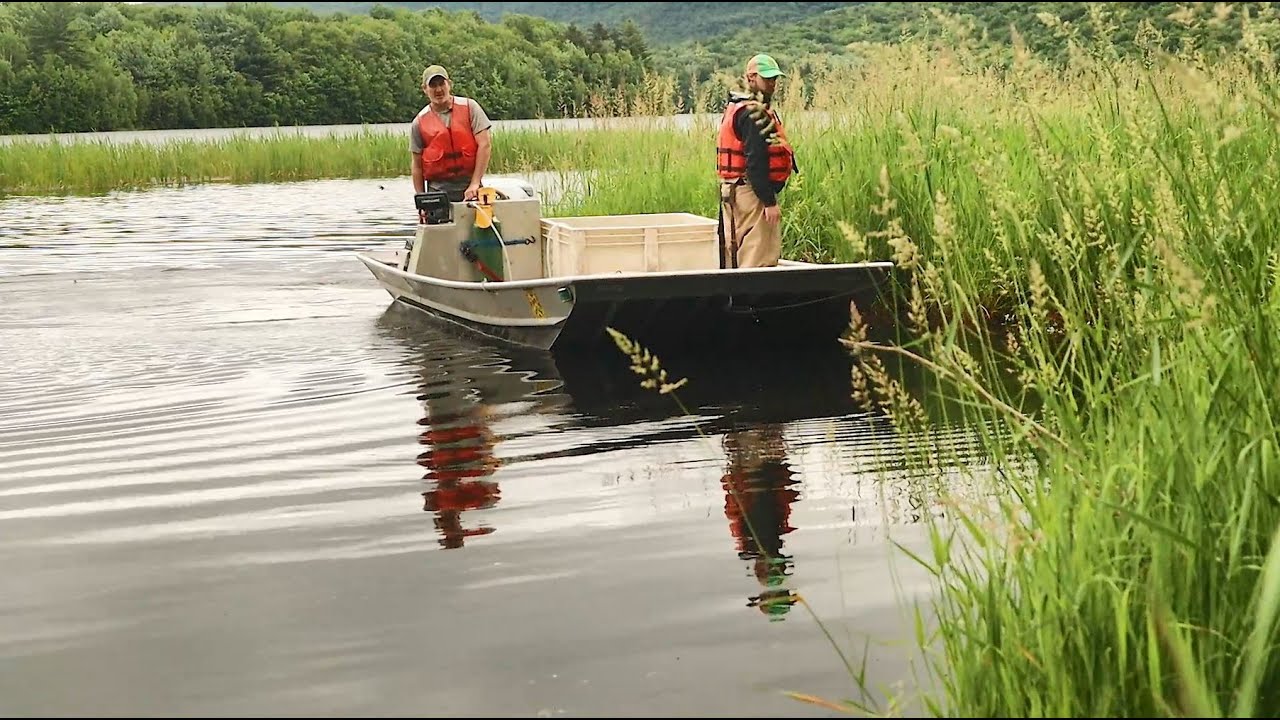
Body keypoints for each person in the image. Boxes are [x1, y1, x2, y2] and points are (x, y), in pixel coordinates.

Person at [715, 53, 798, 269]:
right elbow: (756, 162)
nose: (772, 84)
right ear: (751, 78)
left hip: (734, 190)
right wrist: (769, 202)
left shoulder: (738, 107)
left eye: (774, 79)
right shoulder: (753, 114)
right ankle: (753, 301)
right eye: (766, 78)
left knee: (737, 251)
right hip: (750, 193)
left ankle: (736, 299)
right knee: (758, 255)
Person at [410, 64, 493, 202]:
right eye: (433, 85)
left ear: (449, 84)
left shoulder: (470, 108)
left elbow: (485, 145)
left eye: (441, 83)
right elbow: (417, 166)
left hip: (470, 186)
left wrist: (475, 183)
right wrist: (422, 199)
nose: (438, 89)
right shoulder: (418, 123)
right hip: (437, 190)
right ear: (425, 89)